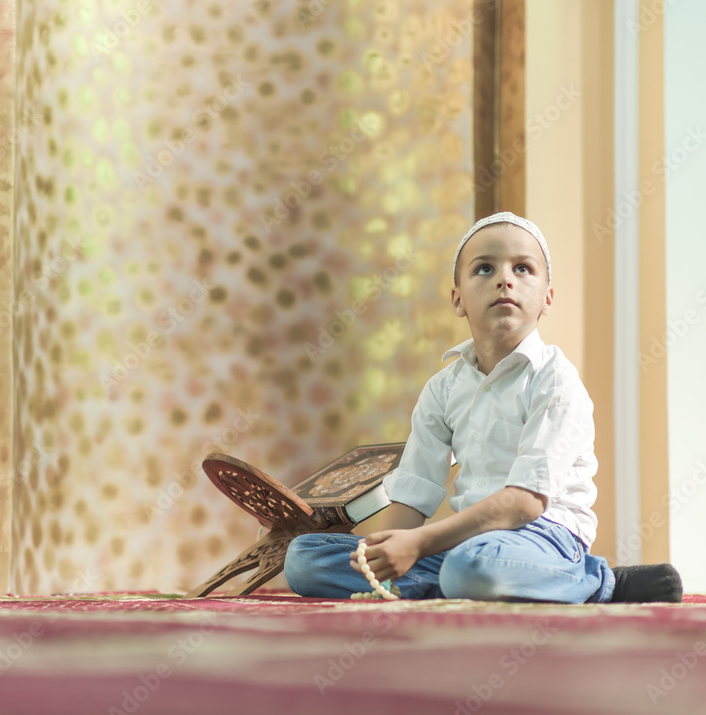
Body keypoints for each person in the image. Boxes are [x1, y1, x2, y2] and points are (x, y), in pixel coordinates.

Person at [284, 212, 681, 603]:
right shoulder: (443, 388)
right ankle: (451, 584)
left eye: (523, 268)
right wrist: (383, 557)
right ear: (458, 300)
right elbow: (414, 491)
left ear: (547, 298)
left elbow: (525, 502)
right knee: (304, 558)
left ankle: (596, 581)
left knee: (469, 567)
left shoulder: (554, 380)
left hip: (544, 535)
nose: (505, 279)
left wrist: (419, 544)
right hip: (465, 542)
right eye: (485, 269)